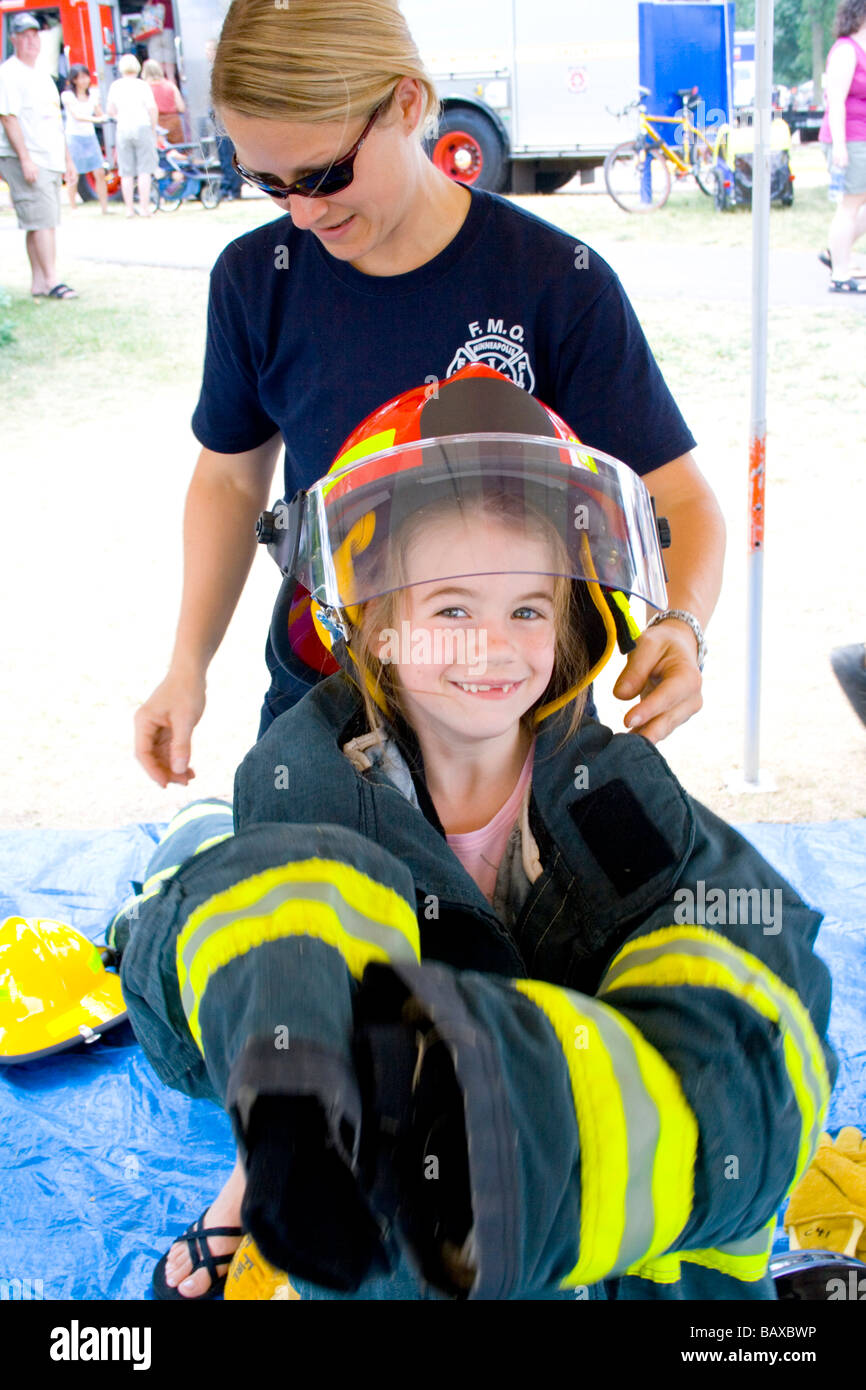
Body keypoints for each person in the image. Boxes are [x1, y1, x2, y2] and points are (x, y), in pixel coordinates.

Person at [114, 369, 833, 1301]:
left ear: (573, 619)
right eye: (451, 607)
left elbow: (752, 987)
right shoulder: (303, 790)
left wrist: (497, 1150)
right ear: (374, 629)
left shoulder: (611, 791)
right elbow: (259, 935)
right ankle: (264, 1161)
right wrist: (292, 1072)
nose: (492, 646)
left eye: (526, 609)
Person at [133, 0, 726, 794]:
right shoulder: (254, 282)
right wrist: (186, 668)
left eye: (324, 173)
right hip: (328, 702)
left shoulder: (553, 282)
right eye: (268, 183)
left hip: (512, 715)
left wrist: (681, 627)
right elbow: (230, 479)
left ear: (408, 103)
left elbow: (680, 498)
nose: (305, 213)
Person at [0, 12, 79, 299]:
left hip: (49, 158)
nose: (32, 41)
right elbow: (8, 118)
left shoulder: (43, 76)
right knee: (44, 222)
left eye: (36, 35)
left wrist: (68, 161)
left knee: (39, 222)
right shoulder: (8, 73)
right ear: (14, 39)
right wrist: (24, 159)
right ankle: (52, 281)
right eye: (25, 35)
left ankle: (39, 282)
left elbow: (55, 123)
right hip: (29, 158)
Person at [820, 0, 866, 292]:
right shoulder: (846, 50)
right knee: (849, 205)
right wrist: (839, 146)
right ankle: (840, 274)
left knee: (855, 206)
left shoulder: (860, 50)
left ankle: (835, 249)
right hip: (848, 138)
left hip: (860, 136)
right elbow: (835, 99)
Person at [105, 54, 158, 218]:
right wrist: (153, 129)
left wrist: (120, 116)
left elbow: (110, 110)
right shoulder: (142, 86)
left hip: (123, 128)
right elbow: (152, 109)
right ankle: (144, 207)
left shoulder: (115, 86)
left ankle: (129, 209)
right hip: (142, 126)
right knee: (144, 169)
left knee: (126, 171)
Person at [61, 65, 110, 213]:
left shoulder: (93, 94)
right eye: (79, 77)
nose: (83, 81)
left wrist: (104, 116)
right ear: (73, 80)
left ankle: (104, 207)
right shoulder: (67, 96)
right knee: (73, 174)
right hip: (74, 137)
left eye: (85, 76)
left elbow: (99, 112)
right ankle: (73, 207)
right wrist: (97, 120)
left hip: (90, 136)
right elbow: (77, 116)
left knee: (99, 172)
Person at [142, 57, 185, 145]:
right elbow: (181, 108)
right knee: (179, 154)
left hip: (156, 125)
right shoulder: (170, 85)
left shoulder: (145, 89)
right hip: (174, 125)